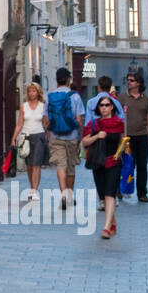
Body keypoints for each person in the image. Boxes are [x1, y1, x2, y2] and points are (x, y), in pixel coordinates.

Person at [81, 97, 125, 239]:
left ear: (112, 107)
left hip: (114, 162)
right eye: (101, 105)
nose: (104, 108)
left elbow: (122, 141)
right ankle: (112, 223)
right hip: (98, 163)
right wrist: (97, 137)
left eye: (107, 105)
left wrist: (121, 152)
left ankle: (106, 228)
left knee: (109, 194)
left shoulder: (119, 123)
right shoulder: (94, 124)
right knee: (103, 196)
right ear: (98, 108)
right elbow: (84, 142)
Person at [45, 67, 86, 211]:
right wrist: (80, 135)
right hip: (72, 136)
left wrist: (47, 133)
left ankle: (63, 194)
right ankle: (69, 195)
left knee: (60, 165)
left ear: (57, 80)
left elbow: (46, 119)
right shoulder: (74, 96)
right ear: (68, 80)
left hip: (56, 135)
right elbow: (79, 118)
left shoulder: (50, 96)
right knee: (71, 167)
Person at [9, 83, 49, 202]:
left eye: (34, 91)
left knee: (36, 164)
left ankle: (35, 191)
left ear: (38, 92)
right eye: (30, 91)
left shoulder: (43, 106)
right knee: (29, 165)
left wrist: (44, 131)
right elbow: (20, 123)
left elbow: (47, 121)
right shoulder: (24, 106)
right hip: (26, 137)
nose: (32, 93)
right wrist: (13, 138)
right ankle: (32, 188)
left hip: (39, 136)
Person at [121, 72, 148, 202]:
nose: (128, 82)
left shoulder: (146, 99)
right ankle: (122, 189)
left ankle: (142, 193)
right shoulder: (123, 98)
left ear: (138, 83)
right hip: (127, 137)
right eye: (128, 80)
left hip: (142, 136)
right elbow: (118, 117)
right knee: (126, 165)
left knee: (142, 166)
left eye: (131, 80)